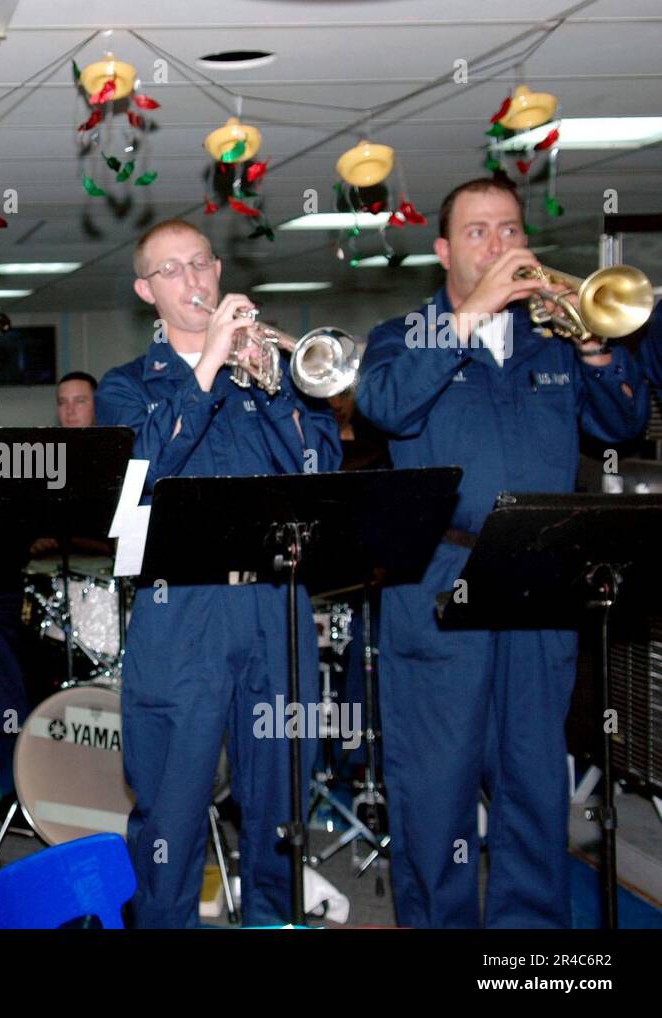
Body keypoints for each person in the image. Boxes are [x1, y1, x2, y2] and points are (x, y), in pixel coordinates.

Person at [355, 176, 649, 928]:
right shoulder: (404, 334)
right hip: (438, 583)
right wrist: (472, 314)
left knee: (532, 779)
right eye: (480, 232)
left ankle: (529, 949)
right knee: (435, 783)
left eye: (511, 229)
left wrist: (596, 355)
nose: (500, 245)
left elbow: (622, 425)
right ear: (445, 250)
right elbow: (384, 406)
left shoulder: (552, 339)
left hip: (539, 577)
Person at [96, 218, 341, 927]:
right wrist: (206, 365)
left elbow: (314, 470)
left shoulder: (270, 376)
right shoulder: (125, 387)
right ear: (147, 291)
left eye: (201, 261)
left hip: (275, 605)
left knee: (281, 806)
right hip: (182, 611)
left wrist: (276, 384)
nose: (194, 279)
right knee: (170, 810)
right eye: (171, 270)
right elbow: (138, 473)